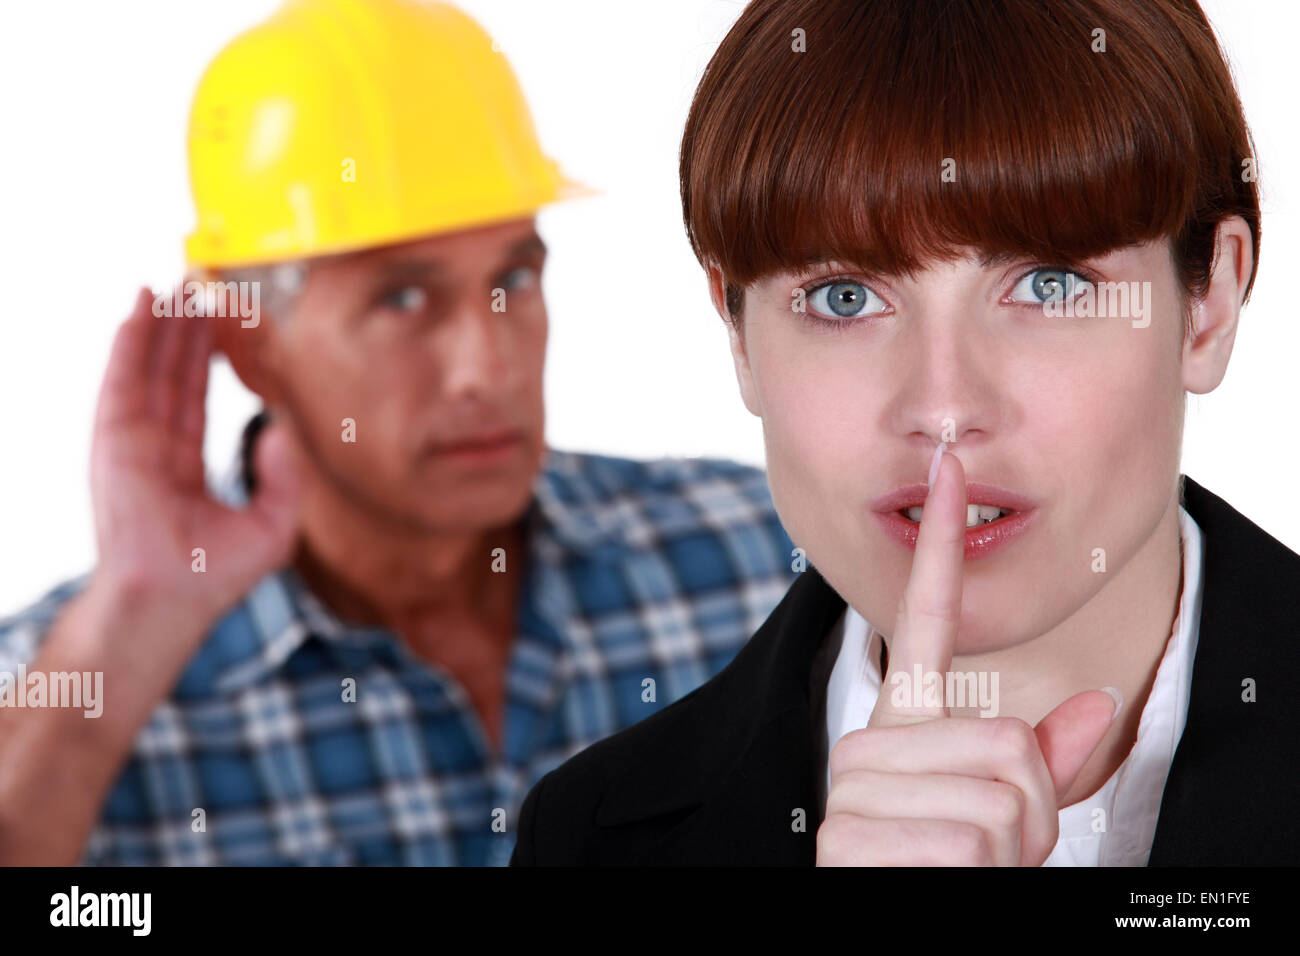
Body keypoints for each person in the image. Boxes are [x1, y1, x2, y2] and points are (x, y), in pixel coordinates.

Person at [0, 0, 796, 866]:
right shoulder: (70, 688)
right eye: (404, 298)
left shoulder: (767, 552)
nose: (486, 368)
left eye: (512, 279)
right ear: (247, 339)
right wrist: (132, 621)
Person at [512, 0, 1300, 866]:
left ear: (1208, 306)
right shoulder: (587, 838)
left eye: (1048, 285)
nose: (945, 407)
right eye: (844, 297)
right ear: (738, 336)